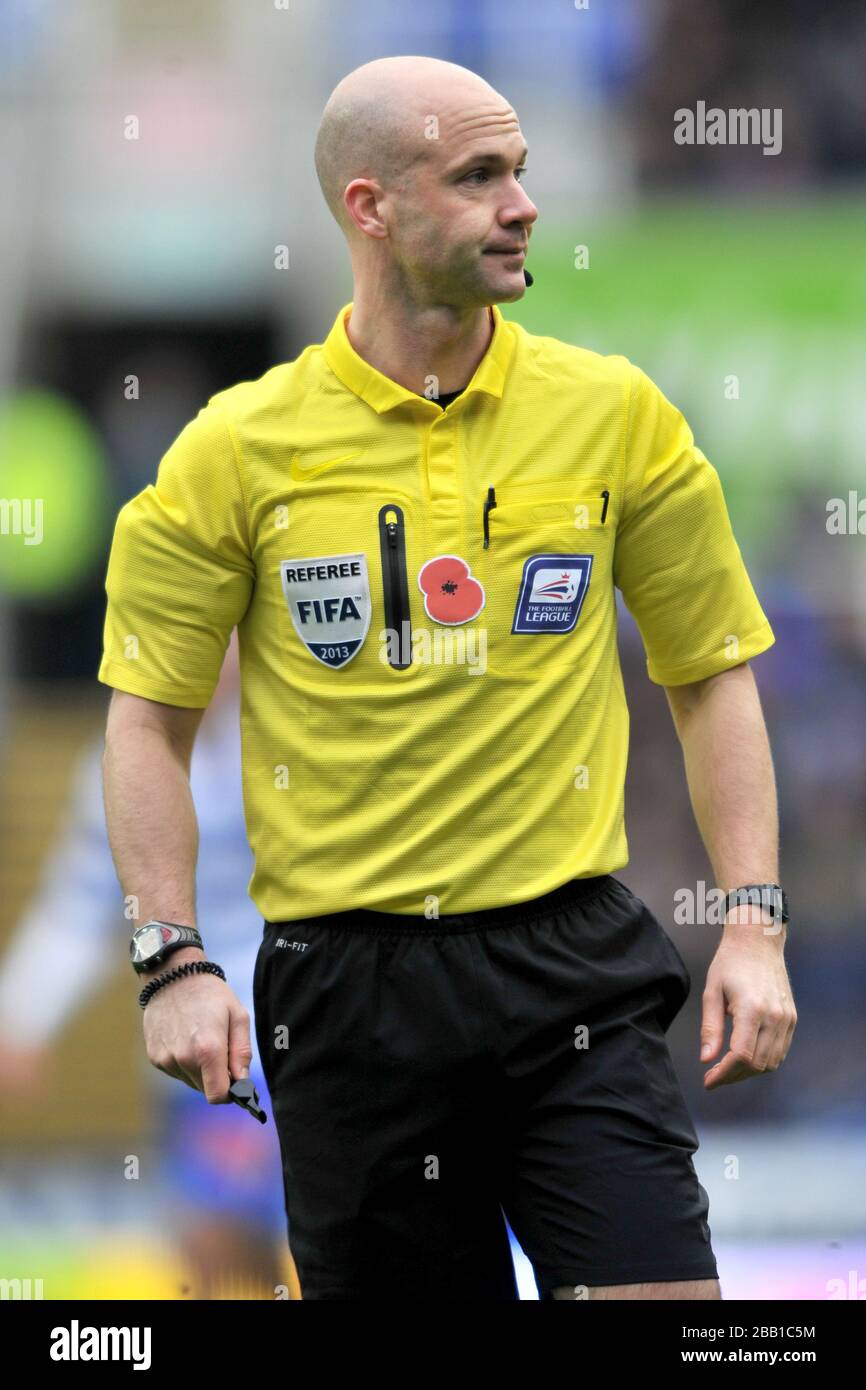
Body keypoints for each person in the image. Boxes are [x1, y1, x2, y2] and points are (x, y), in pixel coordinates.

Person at [97, 55, 797, 1301]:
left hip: (567, 965)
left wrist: (751, 918)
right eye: (477, 177)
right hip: (347, 989)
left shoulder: (615, 415)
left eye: (519, 171)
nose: (520, 203)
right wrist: (172, 961)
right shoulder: (236, 450)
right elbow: (144, 721)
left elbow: (711, 673)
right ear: (370, 207)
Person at [0, 634, 295, 1299]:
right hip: (203, 1047)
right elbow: (77, 907)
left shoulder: (310, 751)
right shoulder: (114, 772)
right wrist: (21, 1016)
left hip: (313, 1030)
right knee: (216, 1247)